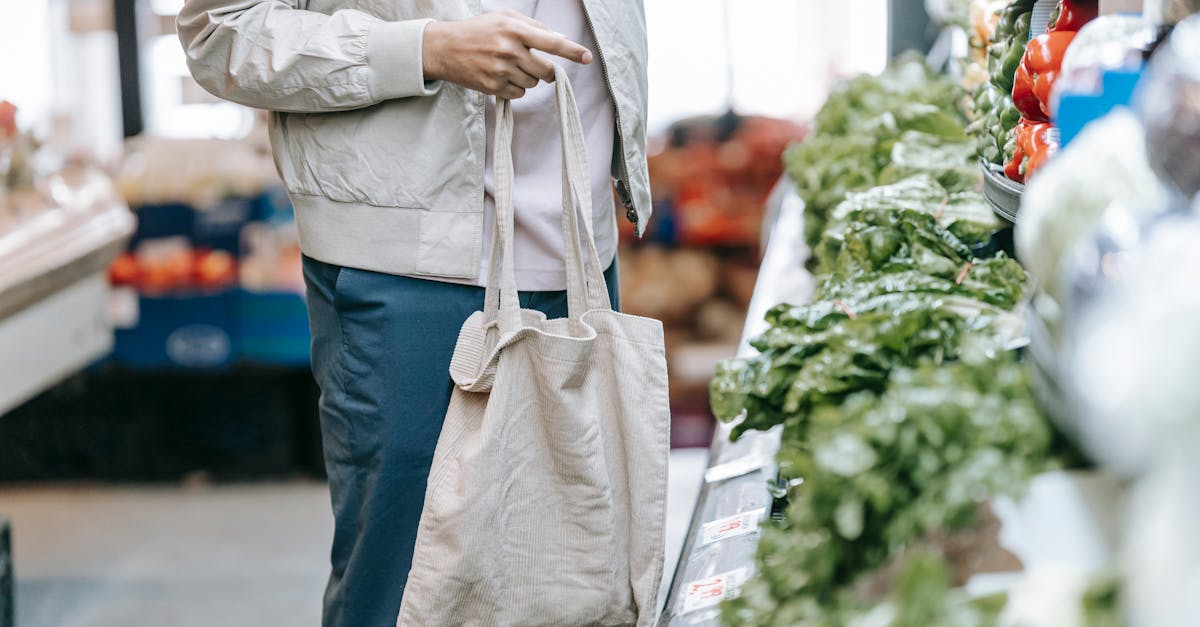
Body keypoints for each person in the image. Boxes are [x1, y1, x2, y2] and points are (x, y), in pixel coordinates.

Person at [176, 1, 650, 626]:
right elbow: (220, 30)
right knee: (401, 588)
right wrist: (424, 50)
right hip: (407, 267)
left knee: (572, 582)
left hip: (579, 249)